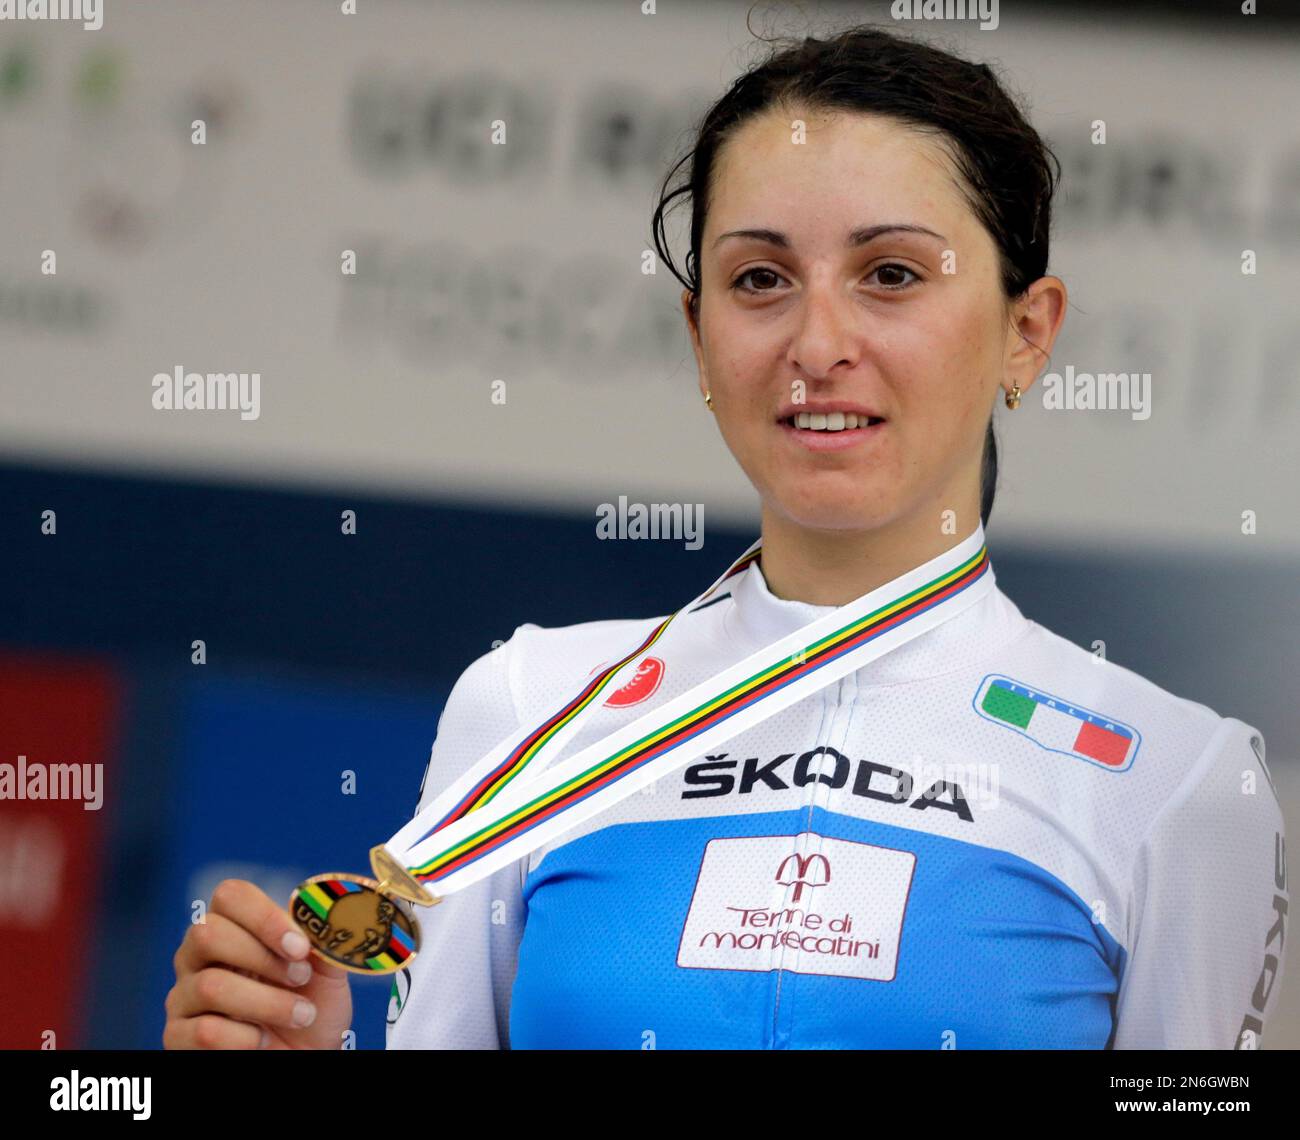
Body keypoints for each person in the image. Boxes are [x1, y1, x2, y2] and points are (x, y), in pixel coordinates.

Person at [163, 24, 1287, 1051]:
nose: (817, 341)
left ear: (1025, 334)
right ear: (700, 337)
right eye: (760, 280)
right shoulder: (529, 705)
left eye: (890, 274)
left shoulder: (1173, 782)